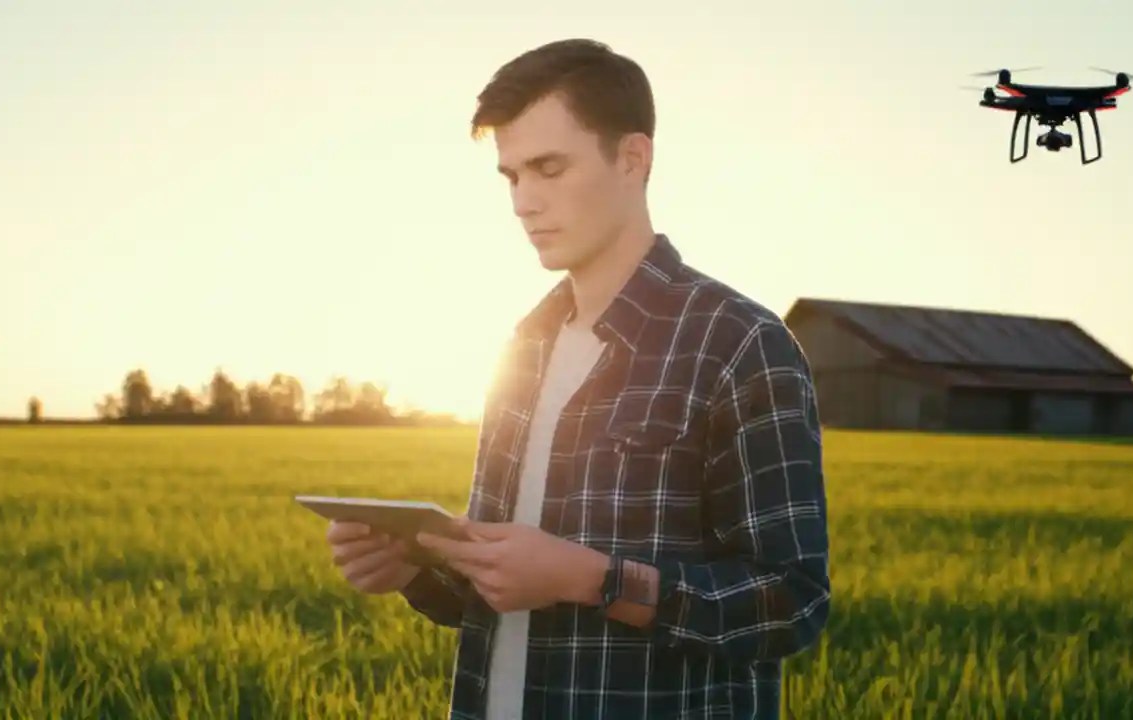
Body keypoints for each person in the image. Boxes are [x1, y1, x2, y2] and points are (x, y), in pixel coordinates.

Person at [325, 38, 831, 720]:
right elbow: (504, 592)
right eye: (510, 177)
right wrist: (416, 570)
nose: (523, 202)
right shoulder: (522, 351)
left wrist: (591, 579)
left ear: (633, 158)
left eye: (549, 168)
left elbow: (790, 604)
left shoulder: (740, 344)